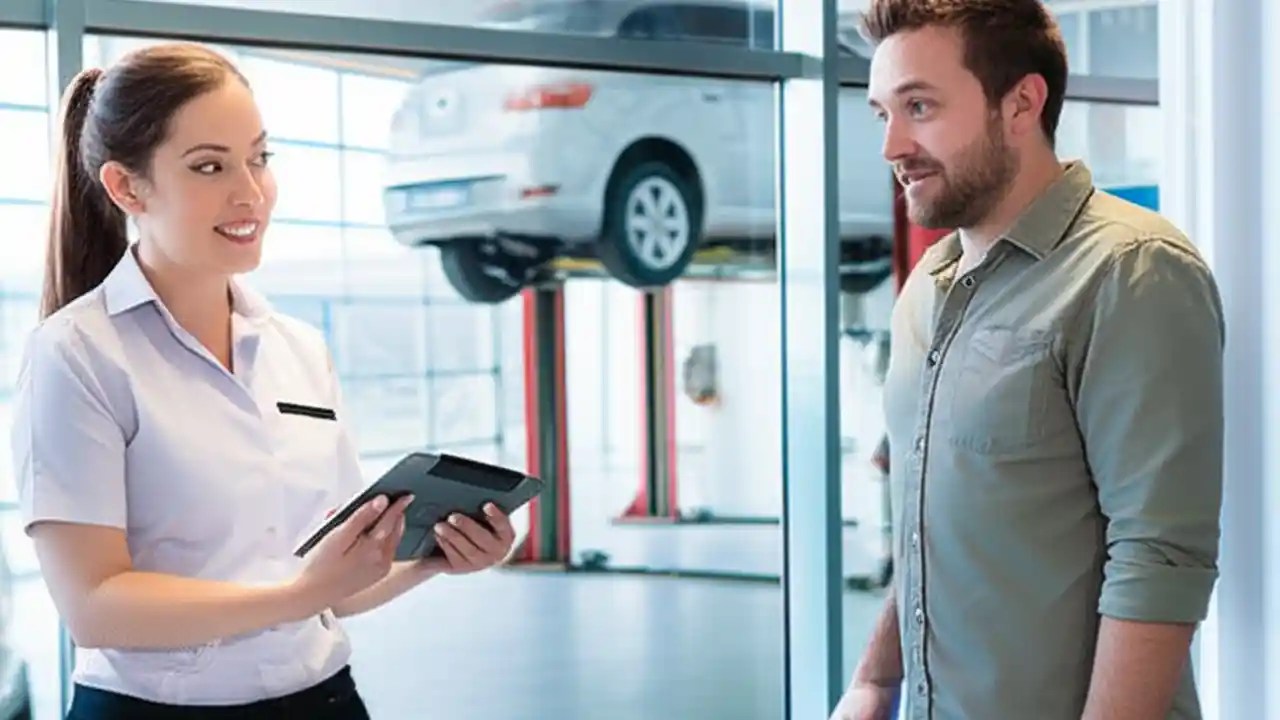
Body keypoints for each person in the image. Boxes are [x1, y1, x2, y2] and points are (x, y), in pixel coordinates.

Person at [11, 42, 518, 719]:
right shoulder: (77, 354)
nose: (249, 192)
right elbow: (96, 606)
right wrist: (298, 597)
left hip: (325, 702)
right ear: (127, 188)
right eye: (210, 166)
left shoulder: (300, 349)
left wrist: (433, 558)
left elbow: (336, 584)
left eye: (259, 158)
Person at [833, 1, 1224, 719]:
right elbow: (931, 524)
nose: (892, 144)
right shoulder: (927, 287)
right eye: (880, 113)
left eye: (919, 106)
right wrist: (873, 681)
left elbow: (1158, 563)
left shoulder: (1131, 270)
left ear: (1021, 102)